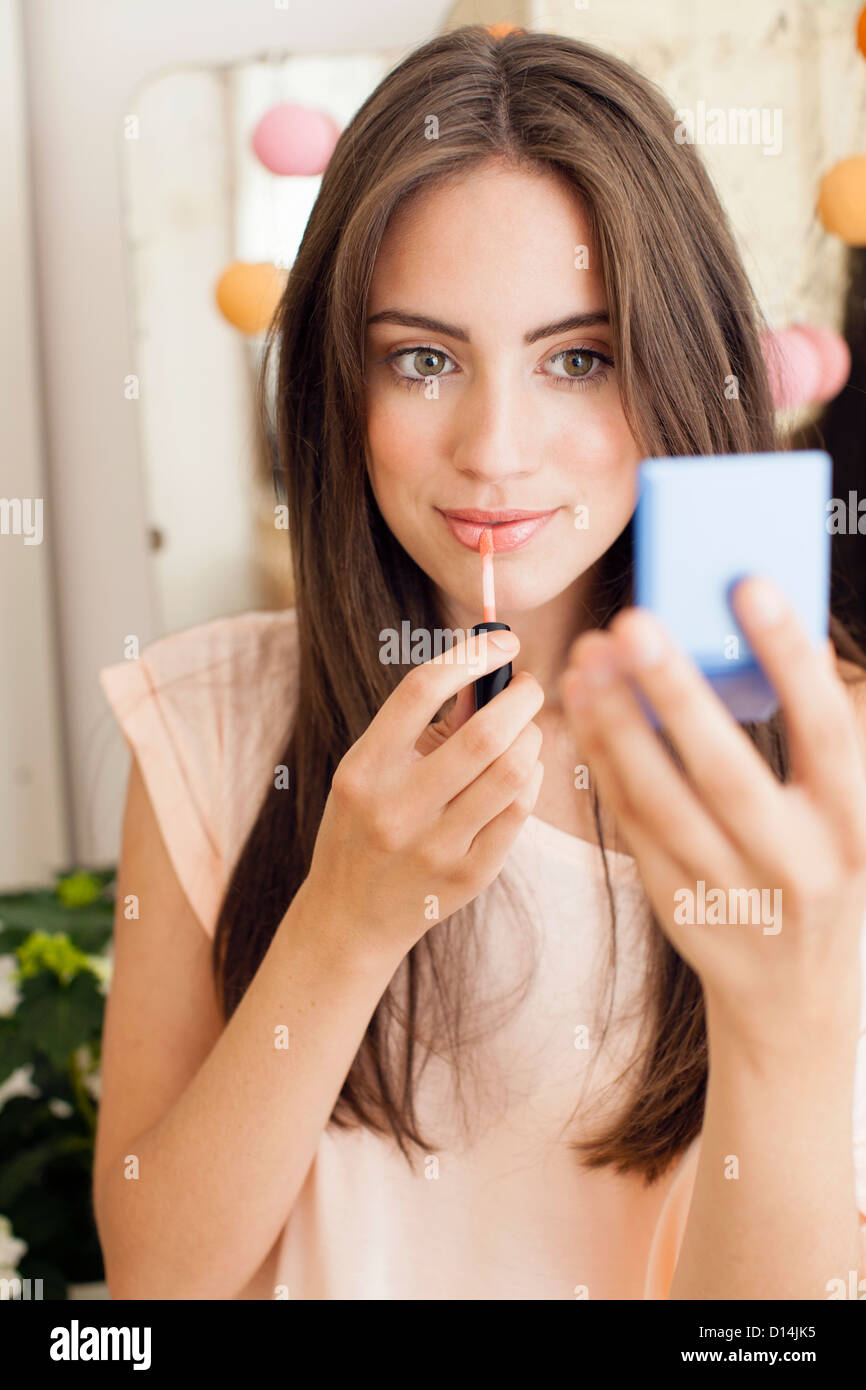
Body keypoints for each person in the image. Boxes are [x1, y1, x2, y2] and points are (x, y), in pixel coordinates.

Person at [92, 24, 866, 1300]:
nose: (495, 448)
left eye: (578, 357)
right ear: (341, 385)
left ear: (678, 361)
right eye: (423, 358)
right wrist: (343, 924)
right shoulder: (212, 719)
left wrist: (783, 1025)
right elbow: (157, 1288)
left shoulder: (825, 778)